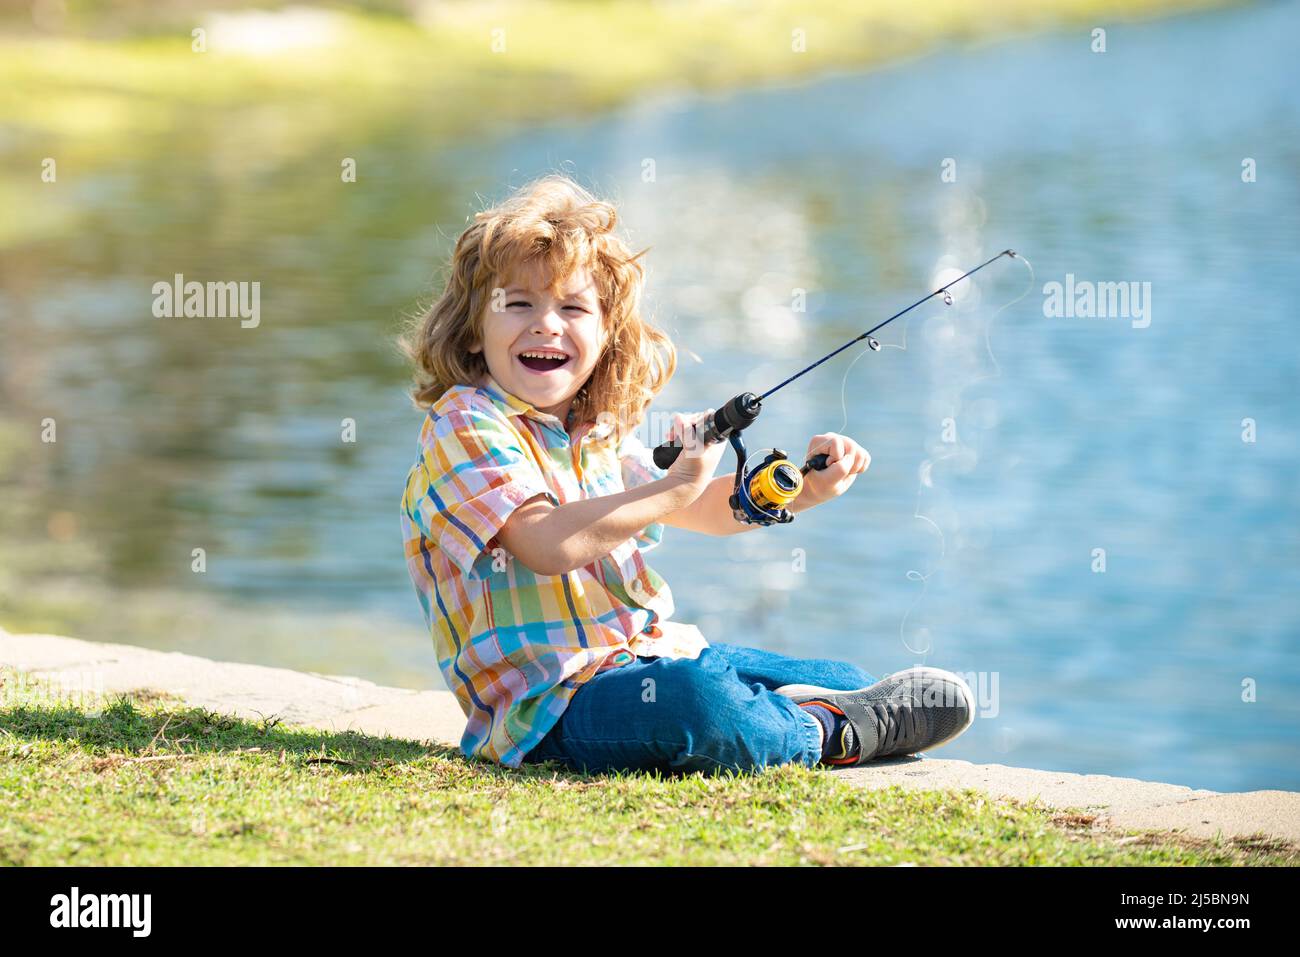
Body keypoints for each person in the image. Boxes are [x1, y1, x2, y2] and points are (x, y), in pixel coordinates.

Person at [398, 172, 974, 774]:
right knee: (696, 703)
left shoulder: (593, 432)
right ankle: (824, 731)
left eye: (573, 307)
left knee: (837, 676)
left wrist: (803, 489)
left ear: (606, 336)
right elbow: (544, 542)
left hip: (649, 655)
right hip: (551, 710)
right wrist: (676, 483)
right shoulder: (465, 423)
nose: (546, 324)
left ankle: (812, 709)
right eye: (518, 304)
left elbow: (696, 507)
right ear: (473, 328)